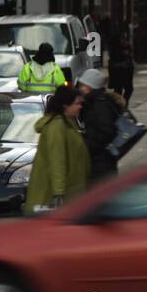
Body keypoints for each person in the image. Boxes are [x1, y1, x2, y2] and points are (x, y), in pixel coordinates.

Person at [24, 85, 91, 214]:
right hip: (56, 195)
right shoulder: (57, 126)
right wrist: (58, 194)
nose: (80, 106)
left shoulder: (69, 123)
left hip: (70, 191)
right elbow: (57, 161)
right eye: (77, 103)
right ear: (65, 106)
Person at [77, 69, 126, 182]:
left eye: (82, 85)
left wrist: (88, 144)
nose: (80, 88)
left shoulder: (100, 105)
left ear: (90, 86)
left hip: (101, 162)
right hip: (101, 160)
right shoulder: (94, 102)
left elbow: (106, 132)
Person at [108, 32, 135, 103]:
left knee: (126, 89)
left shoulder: (126, 47)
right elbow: (113, 63)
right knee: (119, 90)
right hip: (120, 73)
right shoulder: (116, 49)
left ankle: (123, 104)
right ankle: (121, 105)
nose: (124, 41)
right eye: (122, 39)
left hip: (126, 72)